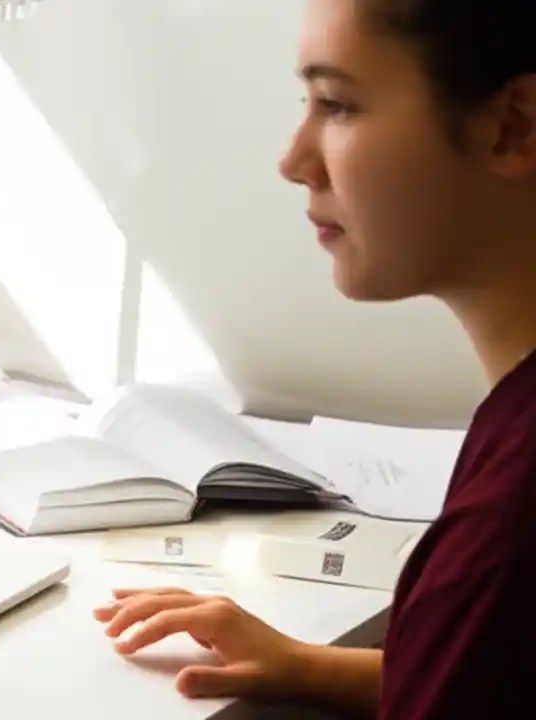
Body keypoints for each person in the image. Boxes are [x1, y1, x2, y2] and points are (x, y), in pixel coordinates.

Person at [92, 0, 536, 717]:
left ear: (512, 124)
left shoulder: (509, 530)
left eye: (336, 104)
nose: (293, 160)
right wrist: (309, 664)